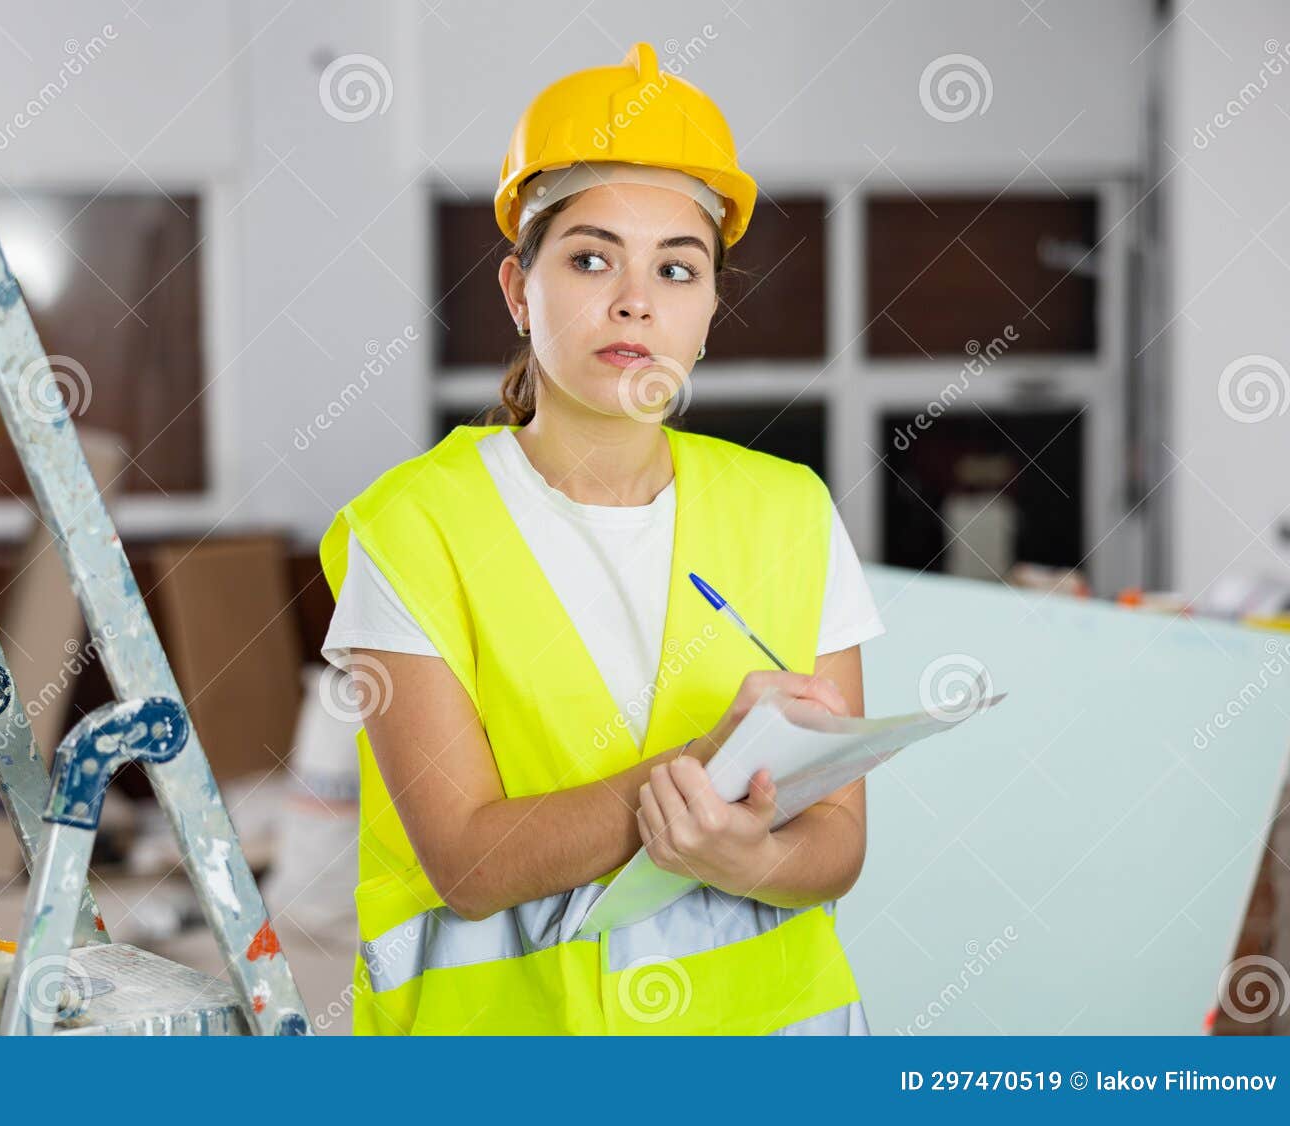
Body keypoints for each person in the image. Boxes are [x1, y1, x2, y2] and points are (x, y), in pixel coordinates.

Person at [317, 42, 884, 1035]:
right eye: (589, 258)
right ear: (516, 289)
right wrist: (702, 774)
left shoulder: (789, 509)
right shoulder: (414, 525)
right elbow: (468, 859)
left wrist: (756, 860)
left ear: (707, 309)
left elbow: (838, 839)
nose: (635, 300)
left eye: (678, 267)